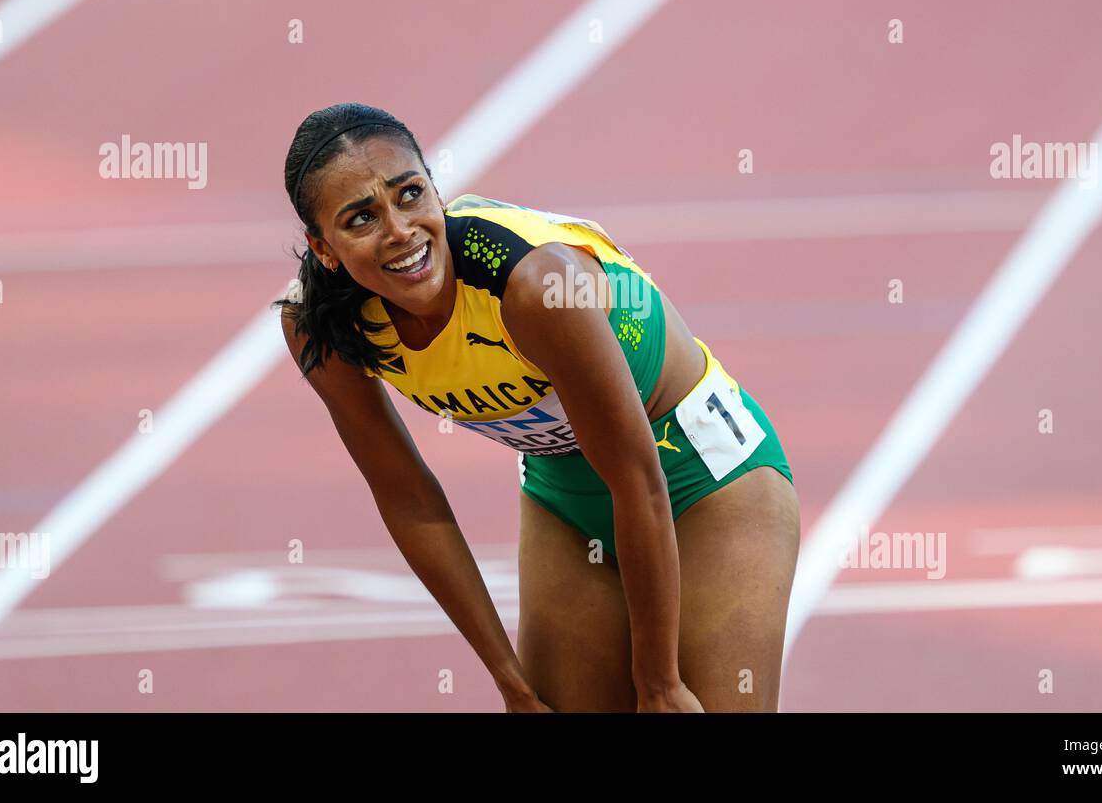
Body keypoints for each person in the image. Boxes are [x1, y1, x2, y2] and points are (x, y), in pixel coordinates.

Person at [274, 103, 801, 712]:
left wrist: (658, 684)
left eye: (410, 194)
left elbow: (639, 479)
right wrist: (512, 684)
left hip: (703, 474)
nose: (400, 231)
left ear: (436, 189)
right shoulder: (319, 326)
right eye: (362, 218)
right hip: (565, 493)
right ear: (323, 247)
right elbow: (407, 498)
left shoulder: (536, 286)